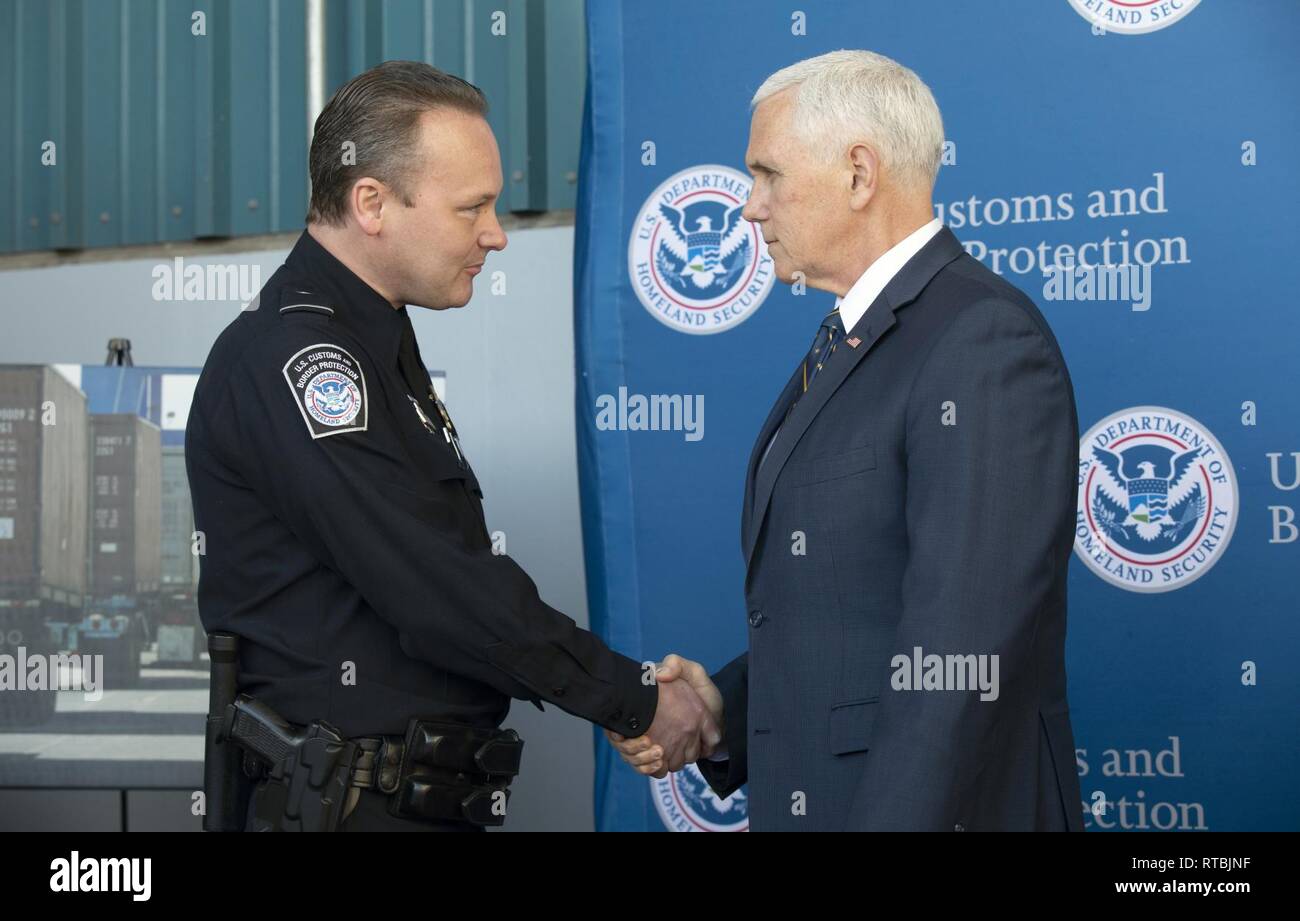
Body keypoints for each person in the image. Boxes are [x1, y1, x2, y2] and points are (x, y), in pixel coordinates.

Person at [187, 61, 718, 832]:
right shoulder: (300, 359)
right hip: (347, 806)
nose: (495, 234)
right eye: (472, 207)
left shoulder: (376, 346)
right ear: (371, 202)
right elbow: (436, 585)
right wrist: (632, 698)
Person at [608, 50, 1085, 832]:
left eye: (767, 175)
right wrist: (724, 701)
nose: (750, 208)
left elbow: (957, 655)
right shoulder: (860, 337)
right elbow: (859, 614)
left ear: (859, 174)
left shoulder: (981, 341)